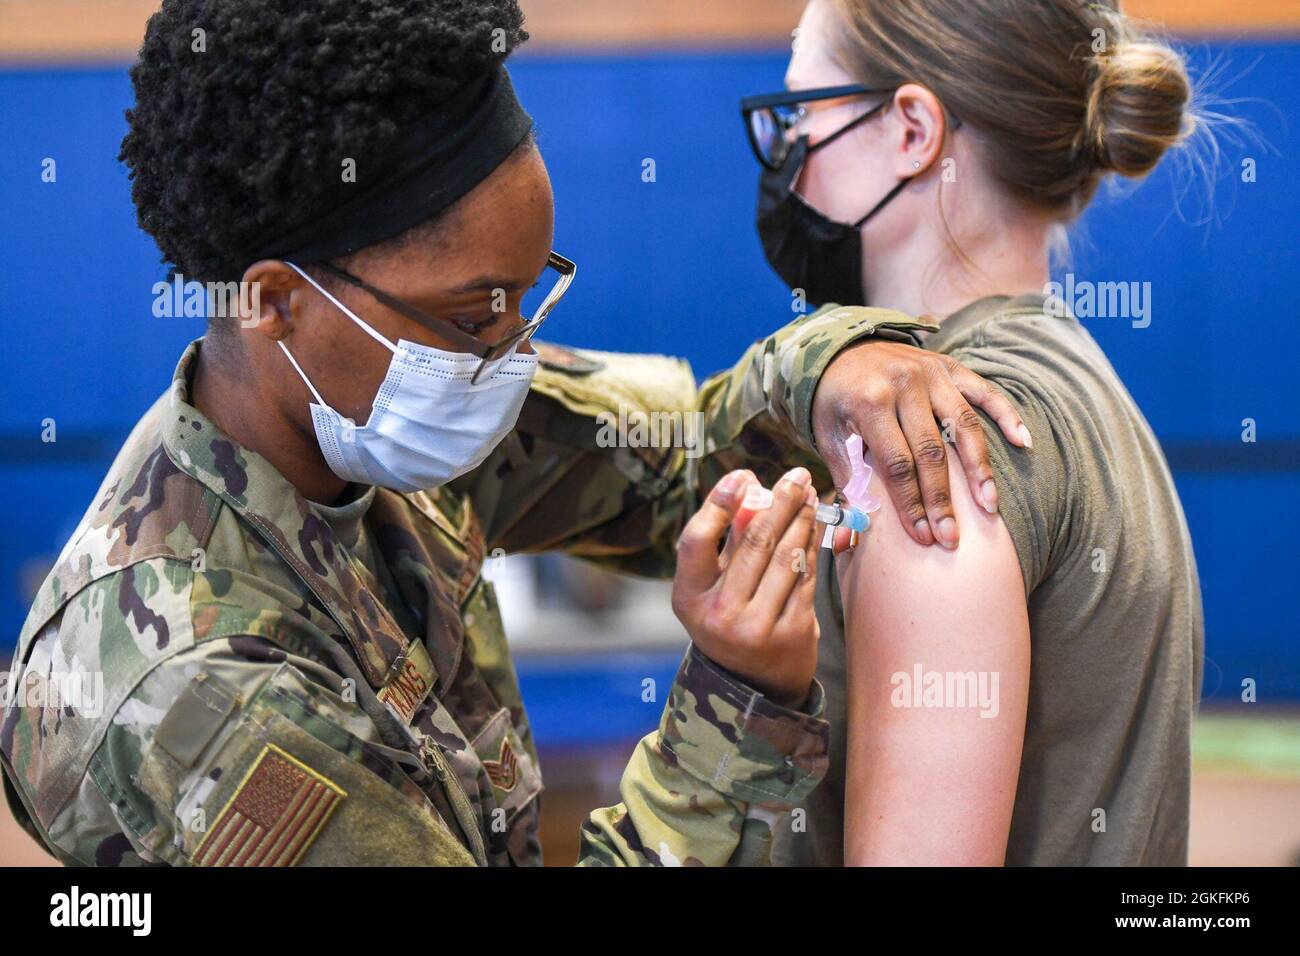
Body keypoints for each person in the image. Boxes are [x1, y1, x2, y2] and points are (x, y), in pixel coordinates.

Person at [0, 0, 1028, 866]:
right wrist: (736, 707)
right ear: (276, 303)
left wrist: (833, 369)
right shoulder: (197, 705)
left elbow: (681, 448)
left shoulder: (367, 410)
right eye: (472, 313)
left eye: (523, 297)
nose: (509, 354)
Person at [750, 0, 1205, 866]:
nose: (790, 157)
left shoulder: (926, 444)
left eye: (805, 114)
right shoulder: (1085, 384)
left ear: (913, 130)